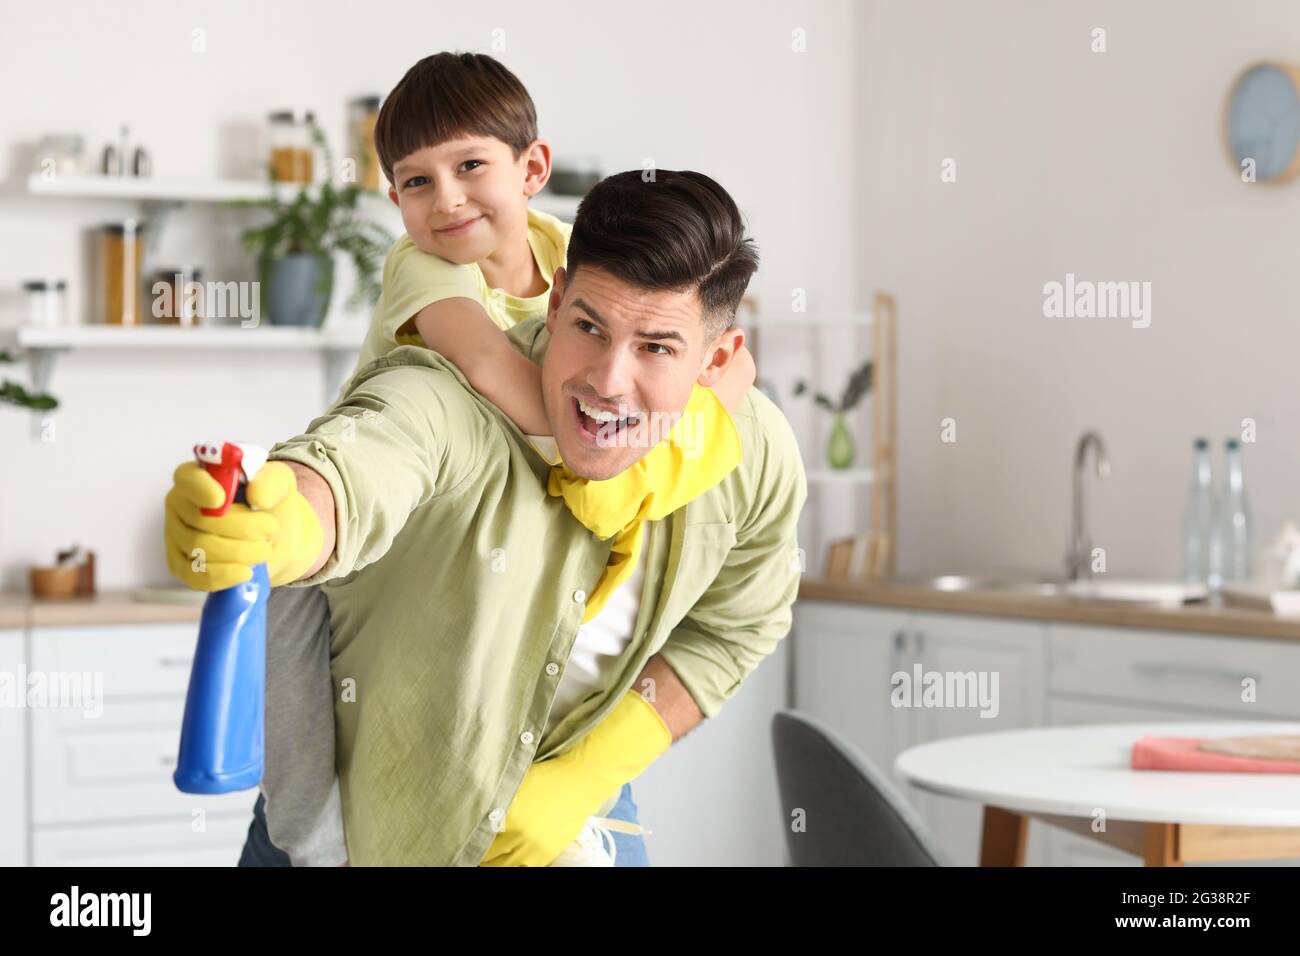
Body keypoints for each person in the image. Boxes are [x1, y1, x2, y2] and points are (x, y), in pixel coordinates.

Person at [164, 168, 806, 865]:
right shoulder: (452, 400)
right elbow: (365, 461)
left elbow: (733, 630)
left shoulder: (752, 456)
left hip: (572, 817)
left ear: (717, 359)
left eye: (655, 347)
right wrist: (281, 523)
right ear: (556, 302)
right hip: (366, 826)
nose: (607, 380)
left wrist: (586, 775)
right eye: (589, 326)